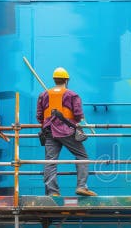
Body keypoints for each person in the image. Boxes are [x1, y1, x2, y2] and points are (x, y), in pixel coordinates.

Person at [36, 67, 97, 197]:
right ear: (66, 80)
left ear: (54, 80)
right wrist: (76, 121)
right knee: (82, 157)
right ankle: (81, 186)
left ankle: (53, 192)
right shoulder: (72, 95)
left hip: (49, 131)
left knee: (50, 162)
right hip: (67, 131)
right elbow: (78, 114)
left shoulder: (44, 95)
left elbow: (39, 116)